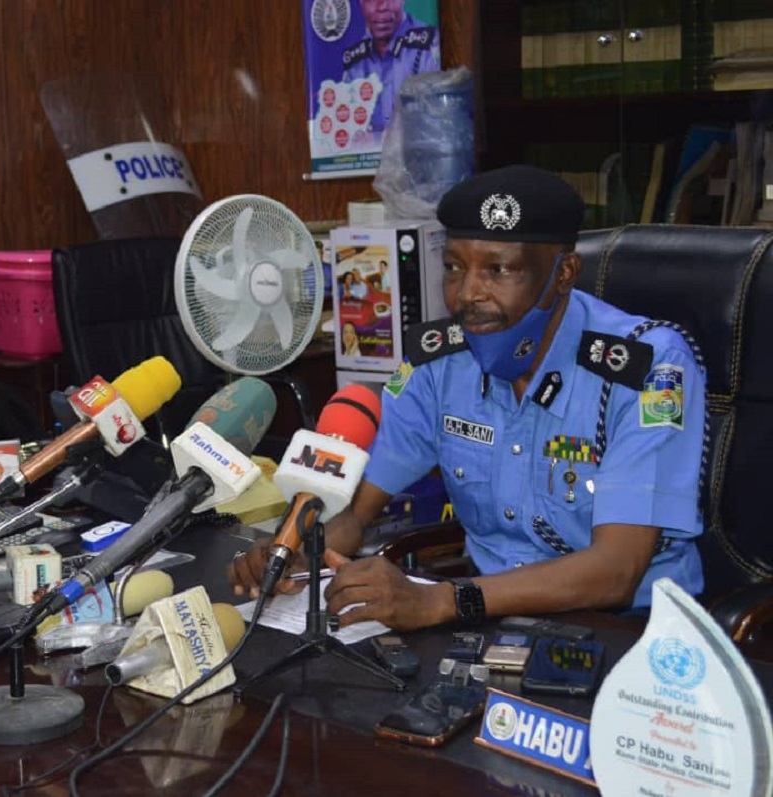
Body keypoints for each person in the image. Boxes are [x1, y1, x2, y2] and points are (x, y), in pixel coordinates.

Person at [228, 165, 706, 631]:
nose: (467, 294)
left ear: (564, 273)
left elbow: (617, 571)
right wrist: (295, 553)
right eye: (455, 267)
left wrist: (443, 601)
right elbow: (355, 509)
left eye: (499, 270)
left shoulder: (647, 367)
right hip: (486, 621)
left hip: (629, 630)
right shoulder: (440, 362)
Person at [342, 0, 440, 135]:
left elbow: (435, 122)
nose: (382, 6)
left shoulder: (430, 46)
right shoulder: (354, 61)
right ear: (361, 2)